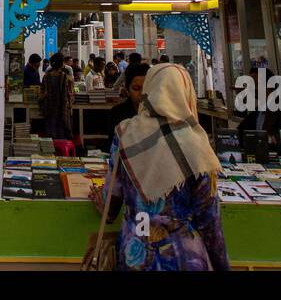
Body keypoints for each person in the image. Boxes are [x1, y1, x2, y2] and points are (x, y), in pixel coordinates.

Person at [93, 63, 229, 271]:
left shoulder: (126, 133)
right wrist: (222, 265)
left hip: (135, 256)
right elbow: (209, 221)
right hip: (184, 257)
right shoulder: (196, 143)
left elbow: (111, 200)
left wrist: (99, 199)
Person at [39, 52, 74, 148]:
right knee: (62, 139)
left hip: (49, 112)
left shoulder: (46, 77)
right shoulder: (66, 78)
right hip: (62, 113)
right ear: (62, 63)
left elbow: (41, 94)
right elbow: (71, 96)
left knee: (50, 141)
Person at [109, 61, 150, 132]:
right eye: (136, 89)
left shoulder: (159, 113)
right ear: (127, 90)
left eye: (147, 88)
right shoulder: (116, 114)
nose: (142, 93)